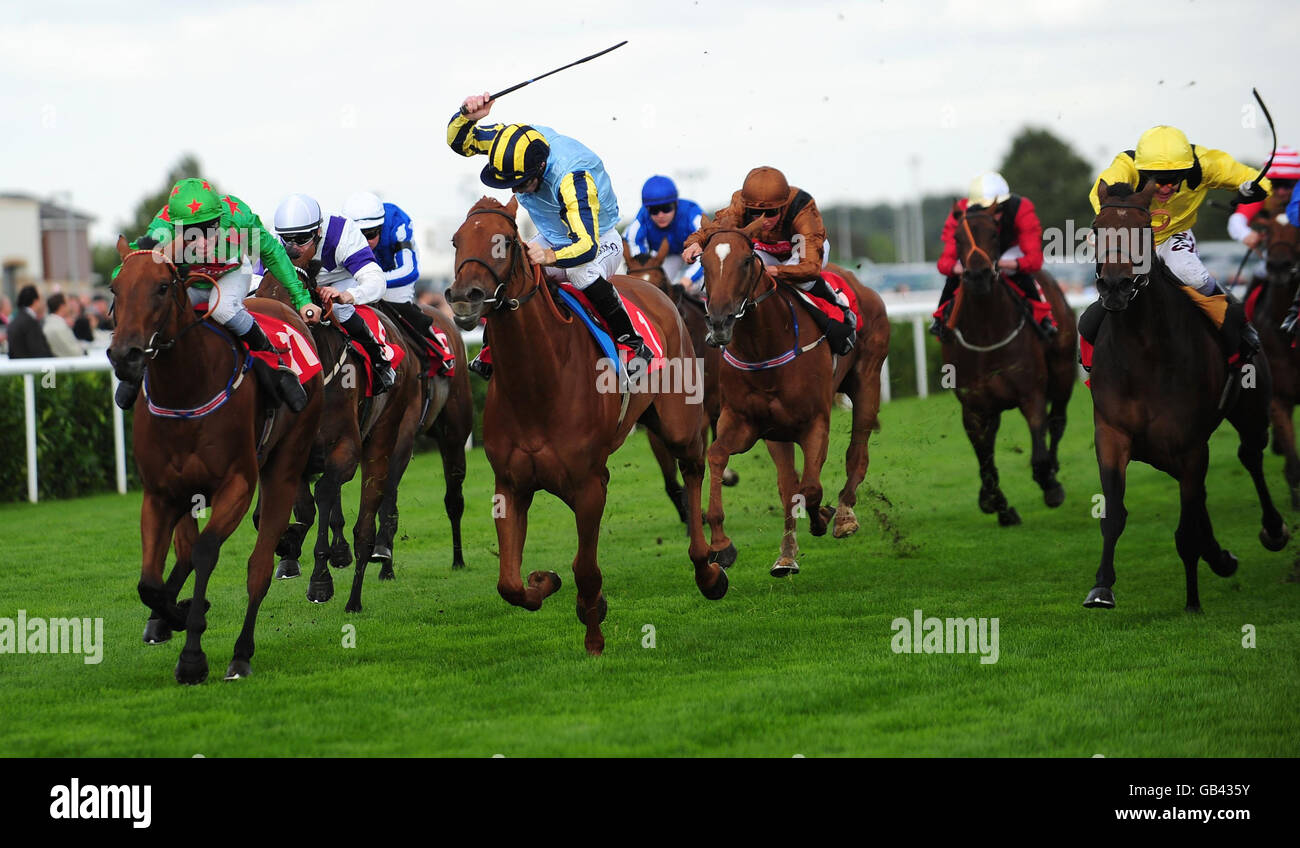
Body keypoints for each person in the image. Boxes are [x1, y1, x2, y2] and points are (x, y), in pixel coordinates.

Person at [448, 91, 650, 380]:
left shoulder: (573, 179)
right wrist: (466, 116)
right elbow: (459, 142)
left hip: (600, 239)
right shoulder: (510, 143)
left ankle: (631, 343)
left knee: (580, 273)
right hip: (553, 235)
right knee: (510, 264)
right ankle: (491, 346)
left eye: (521, 183)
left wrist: (550, 256)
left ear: (540, 168)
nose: (515, 191)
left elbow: (586, 246)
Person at [115, 177, 312, 411]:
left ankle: (275, 363)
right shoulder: (162, 229)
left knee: (223, 309)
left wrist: (302, 299)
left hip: (231, 271)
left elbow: (273, 253)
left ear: (220, 218)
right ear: (176, 227)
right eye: (191, 233)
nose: (203, 240)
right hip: (191, 278)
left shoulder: (239, 218)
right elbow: (127, 268)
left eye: (210, 228)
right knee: (162, 308)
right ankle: (140, 370)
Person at [1085, 125, 1270, 362]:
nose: (1164, 188)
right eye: (1156, 180)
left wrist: (1252, 187)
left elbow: (1258, 180)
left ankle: (1237, 318)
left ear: (1187, 169)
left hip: (1175, 236)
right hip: (1134, 239)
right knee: (1106, 292)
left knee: (1191, 275)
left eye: (1172, 180)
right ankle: (1091, 360)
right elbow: (1100, 193)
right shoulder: (1126, 166)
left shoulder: (1206, 164)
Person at [682, 165, 857, 355]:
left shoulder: (803, 209)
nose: (763, 219)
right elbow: (714, 228)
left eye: (772, 213)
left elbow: (811, 268)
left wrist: (776, 271)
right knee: (744, 276)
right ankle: (725, 326)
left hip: (800, 249)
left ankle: (837, 311)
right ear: (747, 205)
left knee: (800, 283)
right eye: (755, 213)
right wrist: (695, 242)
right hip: (766, 248)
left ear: (783, 206)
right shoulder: (740, 203)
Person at [268, 193, 396, 393]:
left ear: (318, 231)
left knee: (340, 309)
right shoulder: (274, 239)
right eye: (287, 240)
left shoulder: (343, 233)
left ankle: (378, 361)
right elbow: (258, 281)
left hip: (336, 279)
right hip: (296, 280)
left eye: (302, 239)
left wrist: (348, 295)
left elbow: (375, 281)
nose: (294, 249)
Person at [931, 172, 1055, 339]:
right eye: (982, 210)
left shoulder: (1021, 208)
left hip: (1008, 252)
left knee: (1021, 275)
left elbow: (1034, 260)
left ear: (1005, 204)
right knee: (953, 279)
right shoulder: (961, 213)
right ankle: (940, 321)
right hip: (977, 256)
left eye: (996, 209)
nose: (990, 214)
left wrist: (1004, 264)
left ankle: (1044, 319)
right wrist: (955, 267)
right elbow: (944, 261)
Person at [342, 191, 439, 355]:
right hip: (364, 271)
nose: (364, 242)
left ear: (381, 226)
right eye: (358, 235)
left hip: (393, 270)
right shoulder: (341, 229)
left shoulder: (397, 222)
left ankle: (432, 353)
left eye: (371, 234)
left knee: (396, 304)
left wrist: (374, 282)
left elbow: (409, 271)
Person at [623, 175, 705, 295]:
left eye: (666, 208)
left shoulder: (692, 214)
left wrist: (687, 280)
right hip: (668, 257)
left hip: (695, 255)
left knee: (697, 287)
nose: (660, 215)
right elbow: (639, 262)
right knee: (655, 288)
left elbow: (708, 251)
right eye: (654, 210)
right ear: (647, 209)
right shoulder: (639, 222)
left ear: (676, 204)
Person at [1228, 146, 1298, 249]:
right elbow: (1237, 219)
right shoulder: (1261, 193)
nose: (1281, 191)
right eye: (1275, 184)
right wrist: (1246, 234)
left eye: (1288, 184)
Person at [6, 285, 53, 359]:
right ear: (35, 301)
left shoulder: (16, 320)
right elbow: (39, 351)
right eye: (41, 299)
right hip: (32, 368)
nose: (43, 303)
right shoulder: (30, 322)